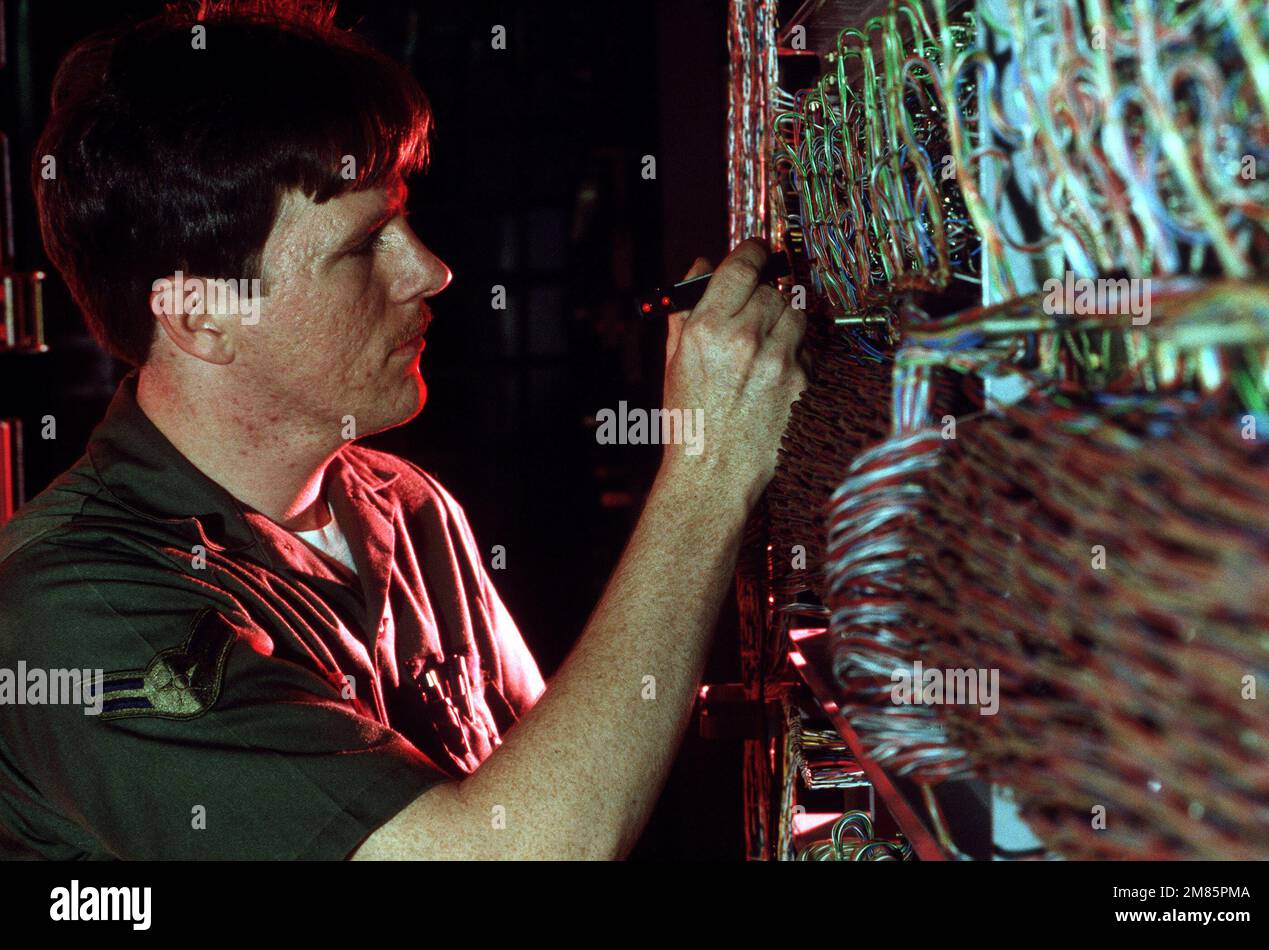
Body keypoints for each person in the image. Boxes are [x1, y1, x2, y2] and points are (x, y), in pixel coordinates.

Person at [0, 0, 806, 859]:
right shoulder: (74, 615)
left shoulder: (405, 506)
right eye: (363, 246)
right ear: (201, 317)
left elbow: (571, 774)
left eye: (407, 218)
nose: (431, 269)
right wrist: (709, 471)